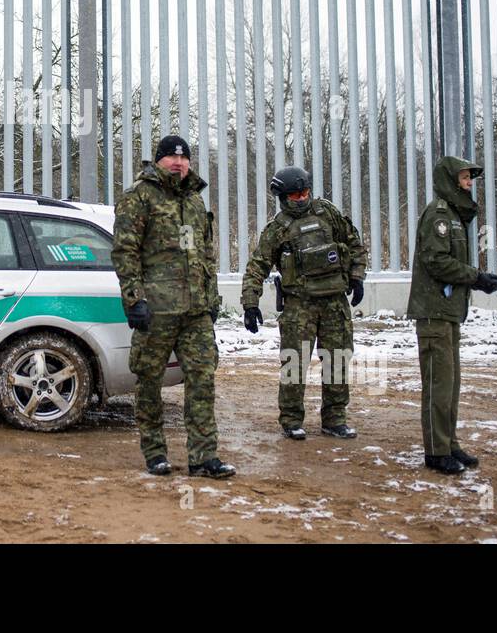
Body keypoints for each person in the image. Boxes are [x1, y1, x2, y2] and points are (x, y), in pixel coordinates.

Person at [111, 134, 237, 479]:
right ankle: (155, 453)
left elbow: (205, 256)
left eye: (184, 159)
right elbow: (125, 253)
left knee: (202, 379)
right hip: (156, 309)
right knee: (149, 380)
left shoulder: (195, 200)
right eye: (171, 158)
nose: (178, 164)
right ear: (159, 160)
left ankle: (203, 456)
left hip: (195, 312)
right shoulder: (139, 197)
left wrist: (211, 300)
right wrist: (134, 300)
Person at [240, 166, 366, 440]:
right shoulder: (278, 229)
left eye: (305, 193)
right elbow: (256, 266)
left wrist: (357, 277)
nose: (301, 199)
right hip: (299, 306)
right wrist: (250, 303)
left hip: (334, 303)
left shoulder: (327, 213)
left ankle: (334, 418)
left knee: (337, 359)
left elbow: (355, 244)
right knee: (294, 364)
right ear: (283, 197)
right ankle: (291, 419)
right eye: (295, 195)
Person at [406, 155, 497, 475]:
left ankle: (448, 443)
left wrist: (476, 277)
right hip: (433, 312)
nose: (469, 183)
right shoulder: (438, 215)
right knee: (439, 384)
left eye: (470, 178)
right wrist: (476, 277)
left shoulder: (453, 216)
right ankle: (436, 451)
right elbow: (435, 260)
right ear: (449, 180)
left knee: (451, 383)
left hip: (447, 312)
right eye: (464, 177)